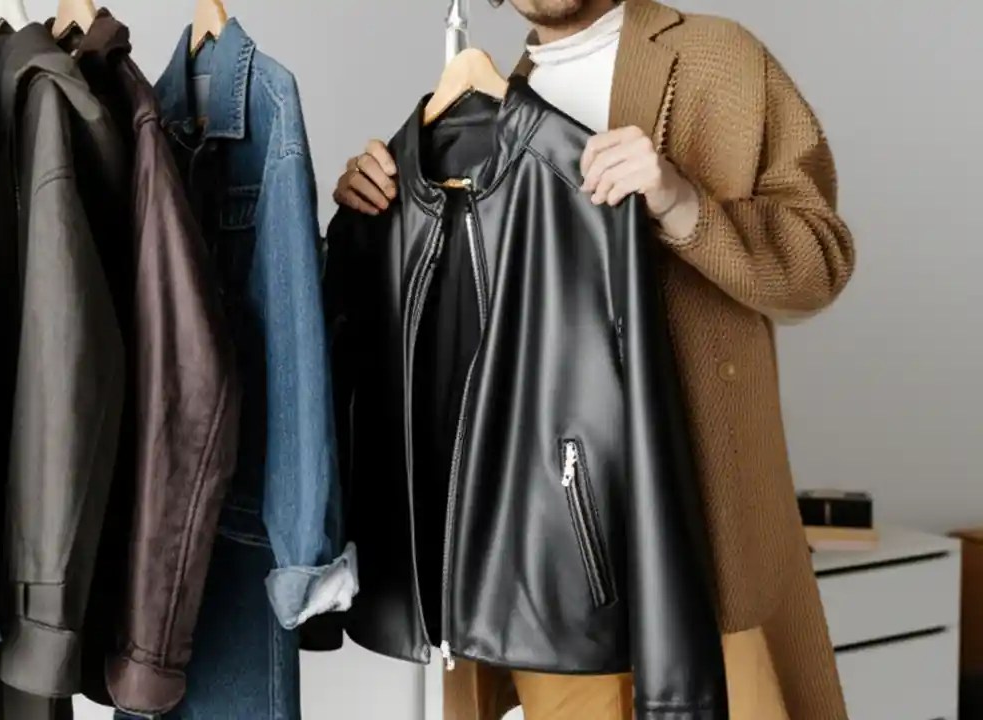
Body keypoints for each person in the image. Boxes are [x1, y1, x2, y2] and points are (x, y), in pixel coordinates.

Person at [332, 1, 855, 719]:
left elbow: (819, 262)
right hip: (551, 557)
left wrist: (680, 201)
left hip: (709, 536)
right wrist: (371, 219)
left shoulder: (719, 61)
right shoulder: (477, 120)